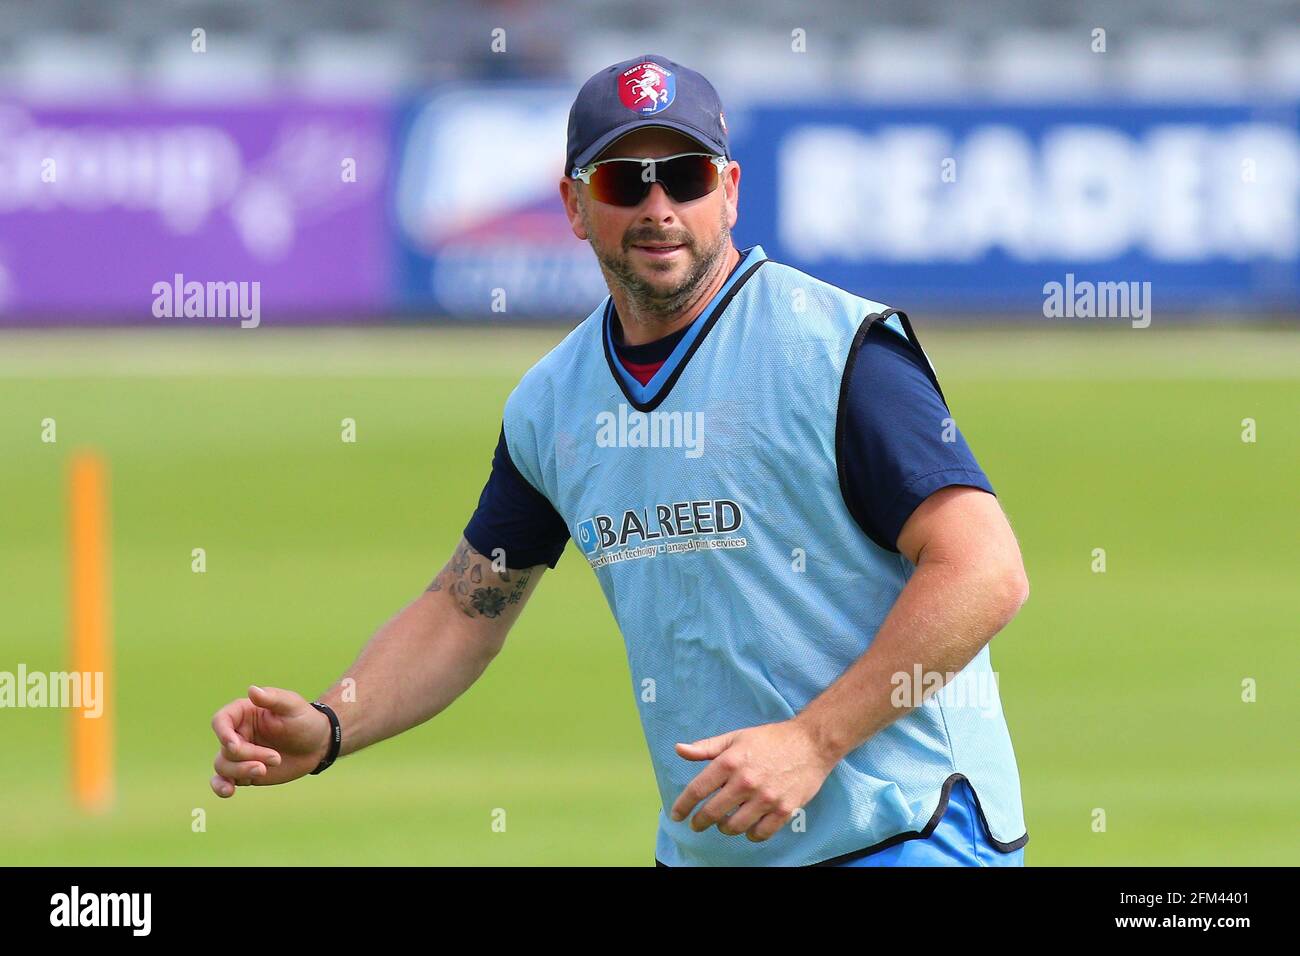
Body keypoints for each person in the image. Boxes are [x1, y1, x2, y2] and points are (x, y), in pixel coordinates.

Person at [210, 55, 1031, 867]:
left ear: (731, 189)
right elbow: (464, 611)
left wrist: (814, 740)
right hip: (715, 849)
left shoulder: (837, 346)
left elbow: (985, 568)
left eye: (685, 176)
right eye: (624, 182)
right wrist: (331, 725)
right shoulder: (552, 403)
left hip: (912, 831)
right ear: (572, 203)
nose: (659, 206)